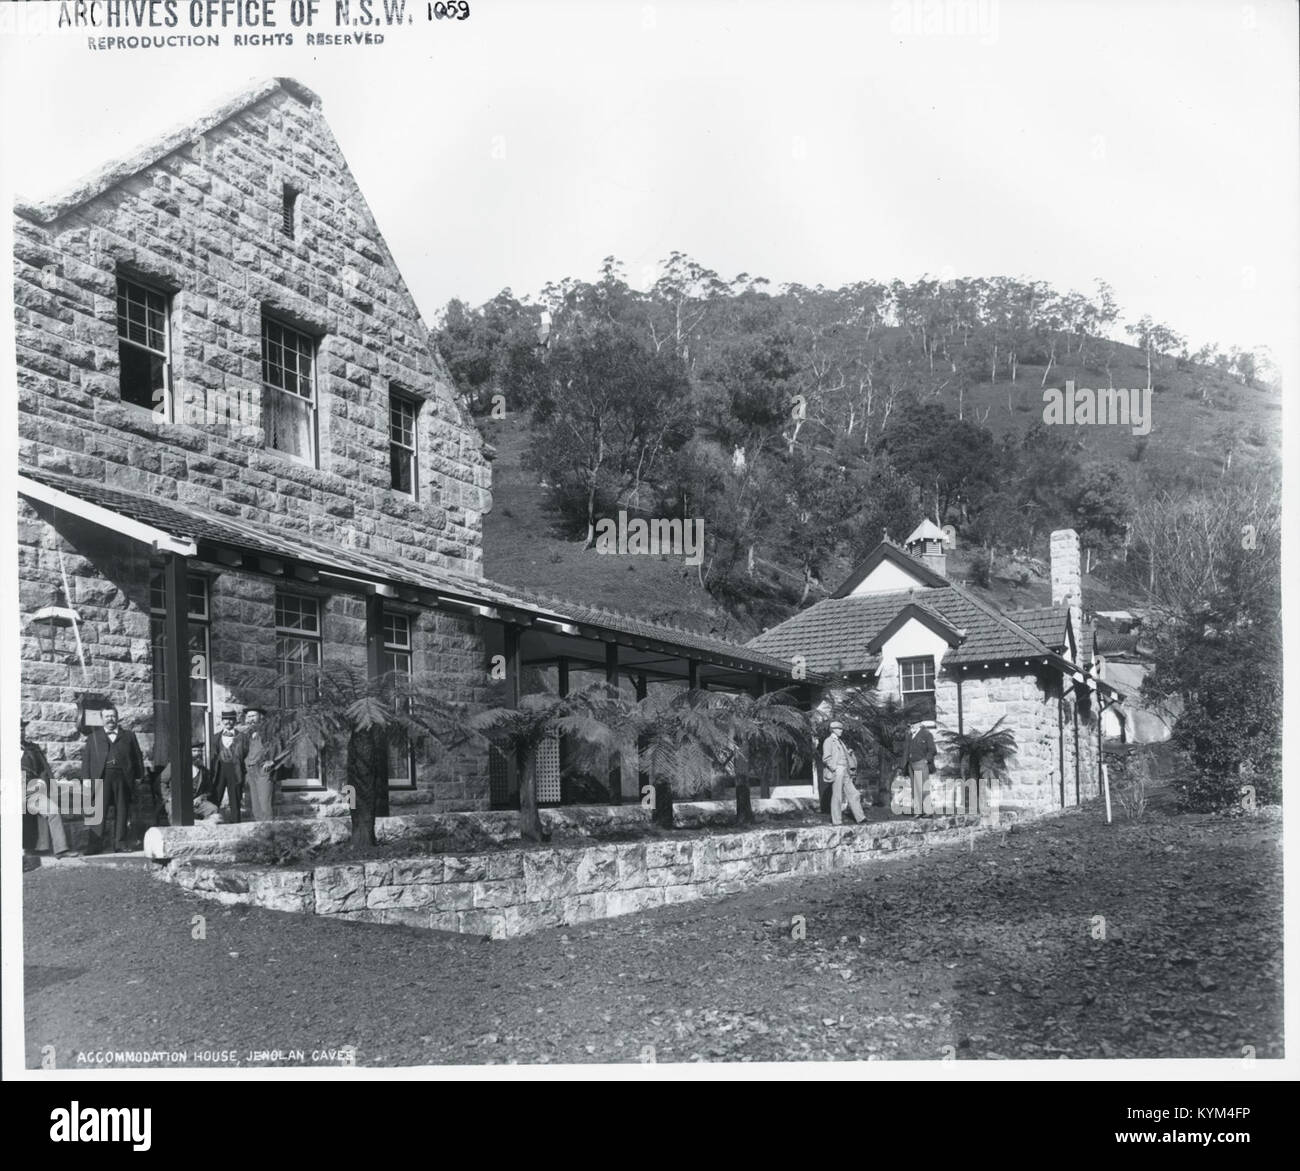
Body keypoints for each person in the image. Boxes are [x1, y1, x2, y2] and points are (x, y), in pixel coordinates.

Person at [81, 707, 145, 853]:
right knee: (98, 811)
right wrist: (85, 778)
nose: (110, 719)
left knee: (122, 810)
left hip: (123, 777)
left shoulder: (129, 736)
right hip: (101, 777)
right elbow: (86, 759)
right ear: (102, 719)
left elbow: (137, 757)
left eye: (113, 716)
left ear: (117, 717)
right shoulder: (93, 737)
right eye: (107, 716)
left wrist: (139, 776)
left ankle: (120, 844)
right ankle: (95, 845)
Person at [22, 721, 77, 859]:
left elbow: (43, 769)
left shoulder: (32, 748)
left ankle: (61, 849)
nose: (20, 732)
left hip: (31, 791)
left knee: (52, 811)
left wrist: (42, 781)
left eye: (22, 729)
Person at [822, 720, 868, 826]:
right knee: (837, 796)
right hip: (837, 770)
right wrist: (834, 768)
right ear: (833, 730)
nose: (841, 731)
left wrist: (849, 754)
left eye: (841, 729)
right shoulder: (828, 741)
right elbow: (826, 758)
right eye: (839, 729)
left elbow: (843, 756)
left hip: (845, 770)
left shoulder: (840, 742)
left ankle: (860, 818)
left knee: (854, 793)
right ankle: (837, 821)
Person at [208, 710, 249, 823]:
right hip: (219, 770)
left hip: (235, 770)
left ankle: (236, 824)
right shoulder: (215, 737)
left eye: (231, 719)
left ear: (235, 721)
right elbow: (212, 756)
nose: (228, 722)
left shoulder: (243, 737)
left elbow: (246, 754)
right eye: (226, 719)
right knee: (215, 797)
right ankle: (212, 823)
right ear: (222, 721)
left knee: (235, 799)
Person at [159, 743, 213, 823]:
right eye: (194, 751)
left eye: (199, 751)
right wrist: (169, 797)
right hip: (175, 801)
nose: (198, 753)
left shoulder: (203, 771)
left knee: (212, 809)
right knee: (175, 813)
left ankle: (203, 832)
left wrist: (200, 797)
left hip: (195, 803)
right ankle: (178, 833)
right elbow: (161, 782)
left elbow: (208, 790)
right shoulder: (174, 766)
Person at [241, 708, 277, 821]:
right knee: (255, 804)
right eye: (249, 716)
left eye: (253, 716)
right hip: (250, 769)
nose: (251, 719)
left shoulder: (269, 730)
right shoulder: (246, 733)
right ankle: (259, 831)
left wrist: (273, 760)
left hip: (262, 769)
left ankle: (269, 831)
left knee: (264, 802)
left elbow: (280, 746)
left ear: (261, 716)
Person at [903, 719, 938, 817]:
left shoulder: (926, 734)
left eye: (913, 724)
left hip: (921, 763)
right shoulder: (910, 735)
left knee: (923, 787)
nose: (911, 726)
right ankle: (918, 811)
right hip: (911, 764)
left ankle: (928, 811)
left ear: (919, 724)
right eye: (910, 725)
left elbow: (932, 750)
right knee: (915, 788)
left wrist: (926, 760)